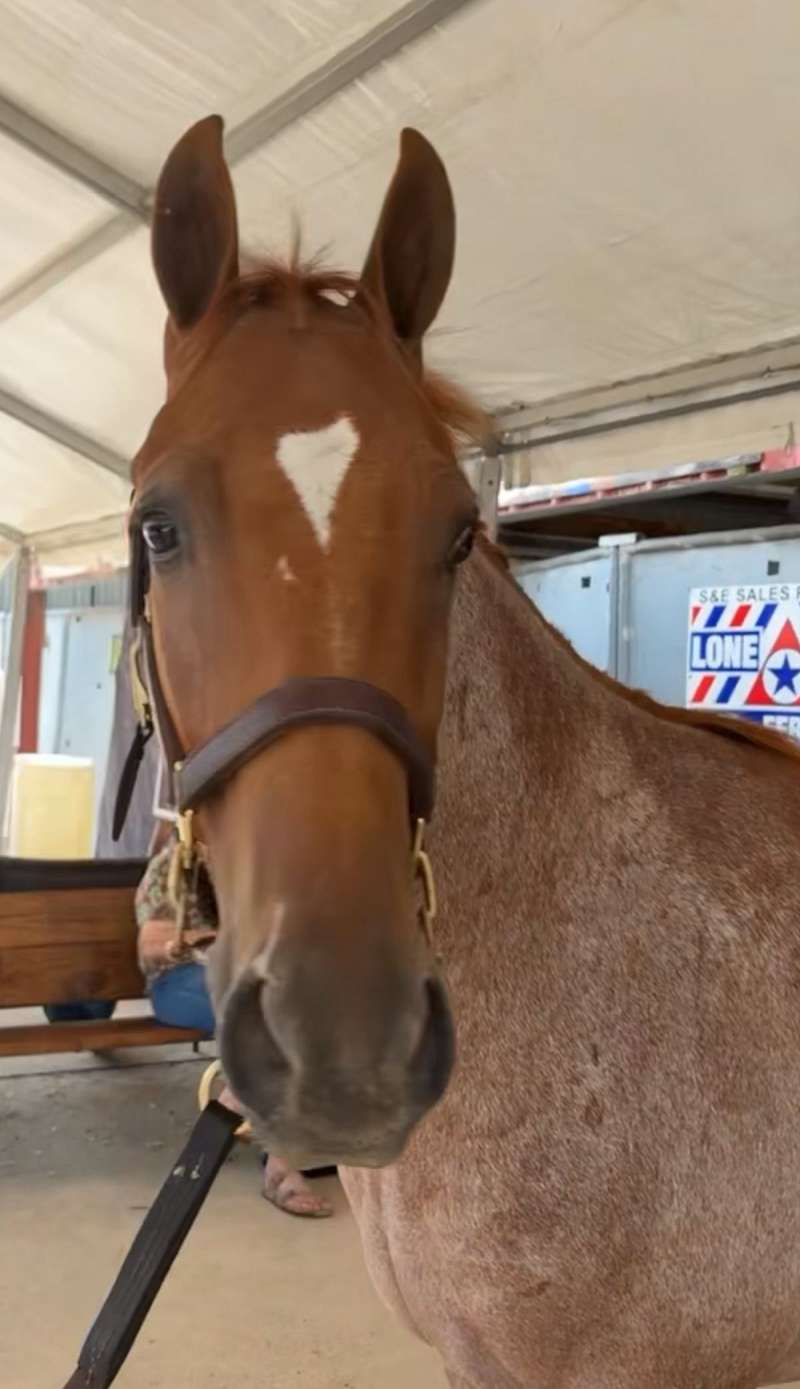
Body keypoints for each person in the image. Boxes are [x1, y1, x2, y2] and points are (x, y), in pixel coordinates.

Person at [135, 826, 334, 1219]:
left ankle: (240, 1094)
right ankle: (279, 1165)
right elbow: (152, 943)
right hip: (178, 981)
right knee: (270, 1015)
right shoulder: (172, 865)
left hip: (245, 981)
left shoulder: (254, 867)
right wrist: (214, 938)